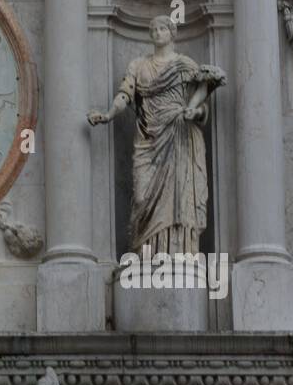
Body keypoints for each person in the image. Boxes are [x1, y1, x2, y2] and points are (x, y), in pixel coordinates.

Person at [88, 16, 225, 257]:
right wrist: (108, 114)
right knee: (142, 197)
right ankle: (145, 251)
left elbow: (203, 104)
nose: (157, 33)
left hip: (180, 134)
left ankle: (180, 252)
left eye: (162, 28)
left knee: (181, 195)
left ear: (172, 33)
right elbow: (125, 94)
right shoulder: (138, 65)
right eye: (153, 29)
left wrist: (195, 111)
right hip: (148, 138)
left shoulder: (186, 65)